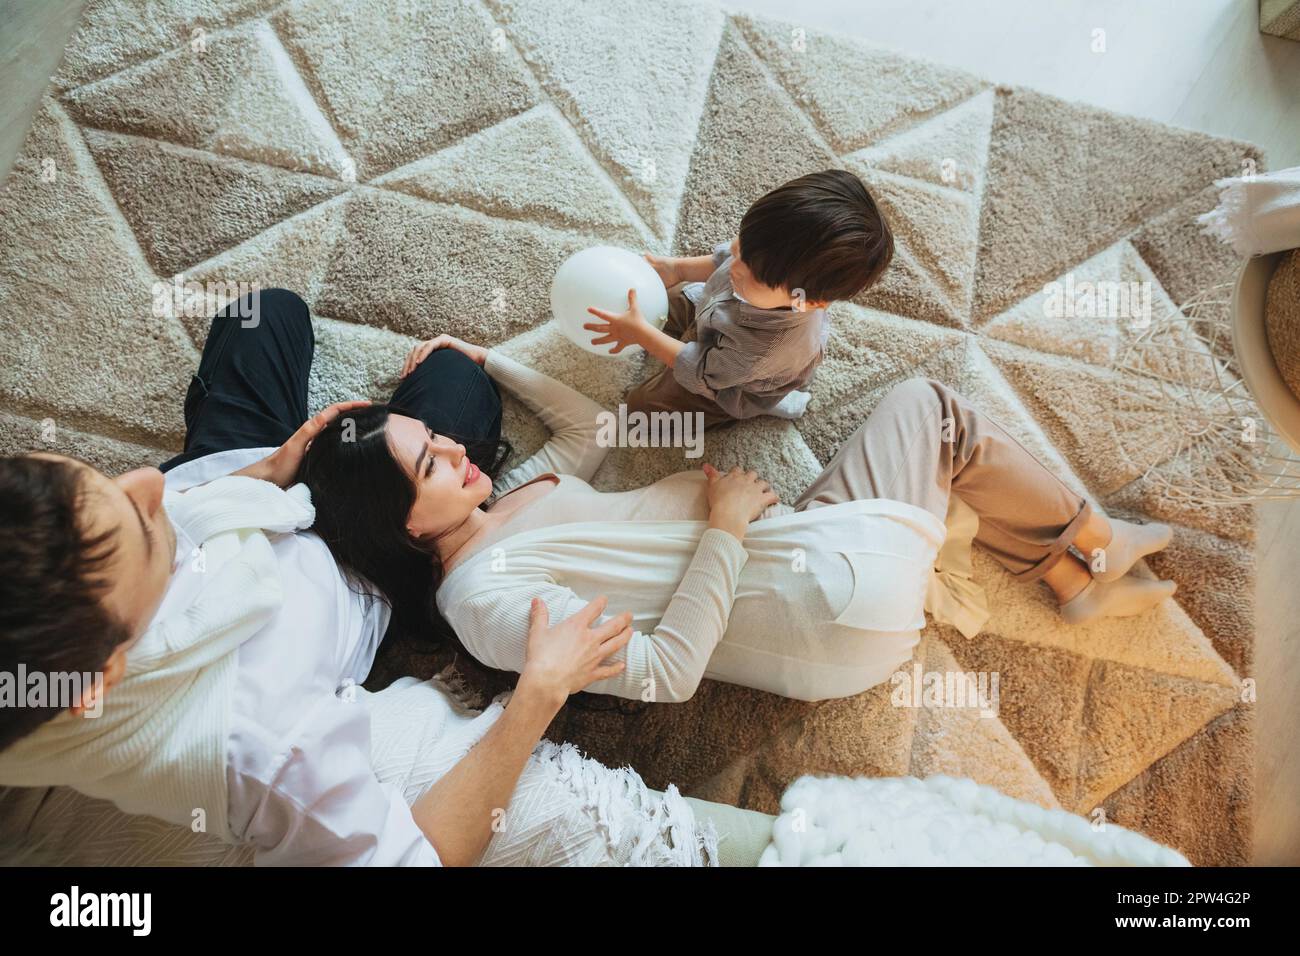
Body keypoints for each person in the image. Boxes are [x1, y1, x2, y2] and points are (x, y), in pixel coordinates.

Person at [0, 288, 759, 866]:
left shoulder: (147, 515)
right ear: (106, 676)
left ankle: (324, 441)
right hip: (355, 565)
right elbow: (419, 856)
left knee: (266, 313)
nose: (147, 483)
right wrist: (538, 696)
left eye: (92, 480)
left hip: (256, 494)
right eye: (139, 525)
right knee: (457, 389)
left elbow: (169, 497)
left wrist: (262, 473)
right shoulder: (262, 747)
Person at [303, 333, 1178, 706]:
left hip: (811, 583)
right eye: (432, 464)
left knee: (914, 450)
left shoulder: (505, 508)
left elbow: (590, 426)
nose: (461, 452)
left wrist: (480, 356)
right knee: (932, 410)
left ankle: (1072, 574)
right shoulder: (486, 608)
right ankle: (1094, 540)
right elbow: (664, 674)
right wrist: (723, 522)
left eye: (437, 438)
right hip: (821, 597)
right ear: (409, 528)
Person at [583, 169, 893, 425]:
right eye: (740, 245)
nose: (735, 261)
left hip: (727, 380)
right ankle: (681, 327)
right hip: (716, 316)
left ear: (807, 301)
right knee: (668, 296)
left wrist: (642, 334)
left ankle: (763, 405)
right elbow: (721, 261)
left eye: (752, 271)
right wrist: (675, 268)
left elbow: (702, 369)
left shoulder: (764, 349)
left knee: (640, 411)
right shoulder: (759, 259)